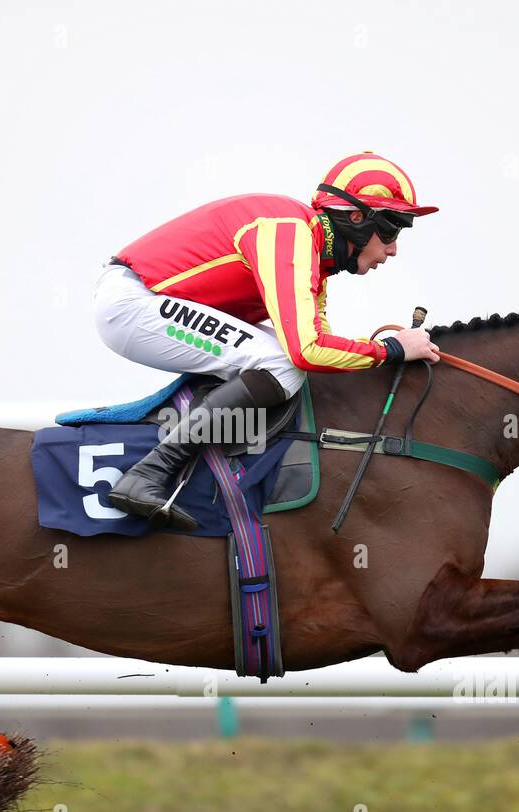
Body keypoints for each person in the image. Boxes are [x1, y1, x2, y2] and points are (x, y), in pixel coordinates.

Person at [94, 151, 442, 531]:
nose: (393, 250)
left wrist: (380, 352)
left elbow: (319, 344)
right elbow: (308, 350)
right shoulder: (288, 233)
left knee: (283, 361)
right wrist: (391, 350)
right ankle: (148, 474)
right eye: (391, 231)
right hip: (132, 304)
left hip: (148, 301)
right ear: (356, 219)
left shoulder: (311, 256)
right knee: (281, 363)